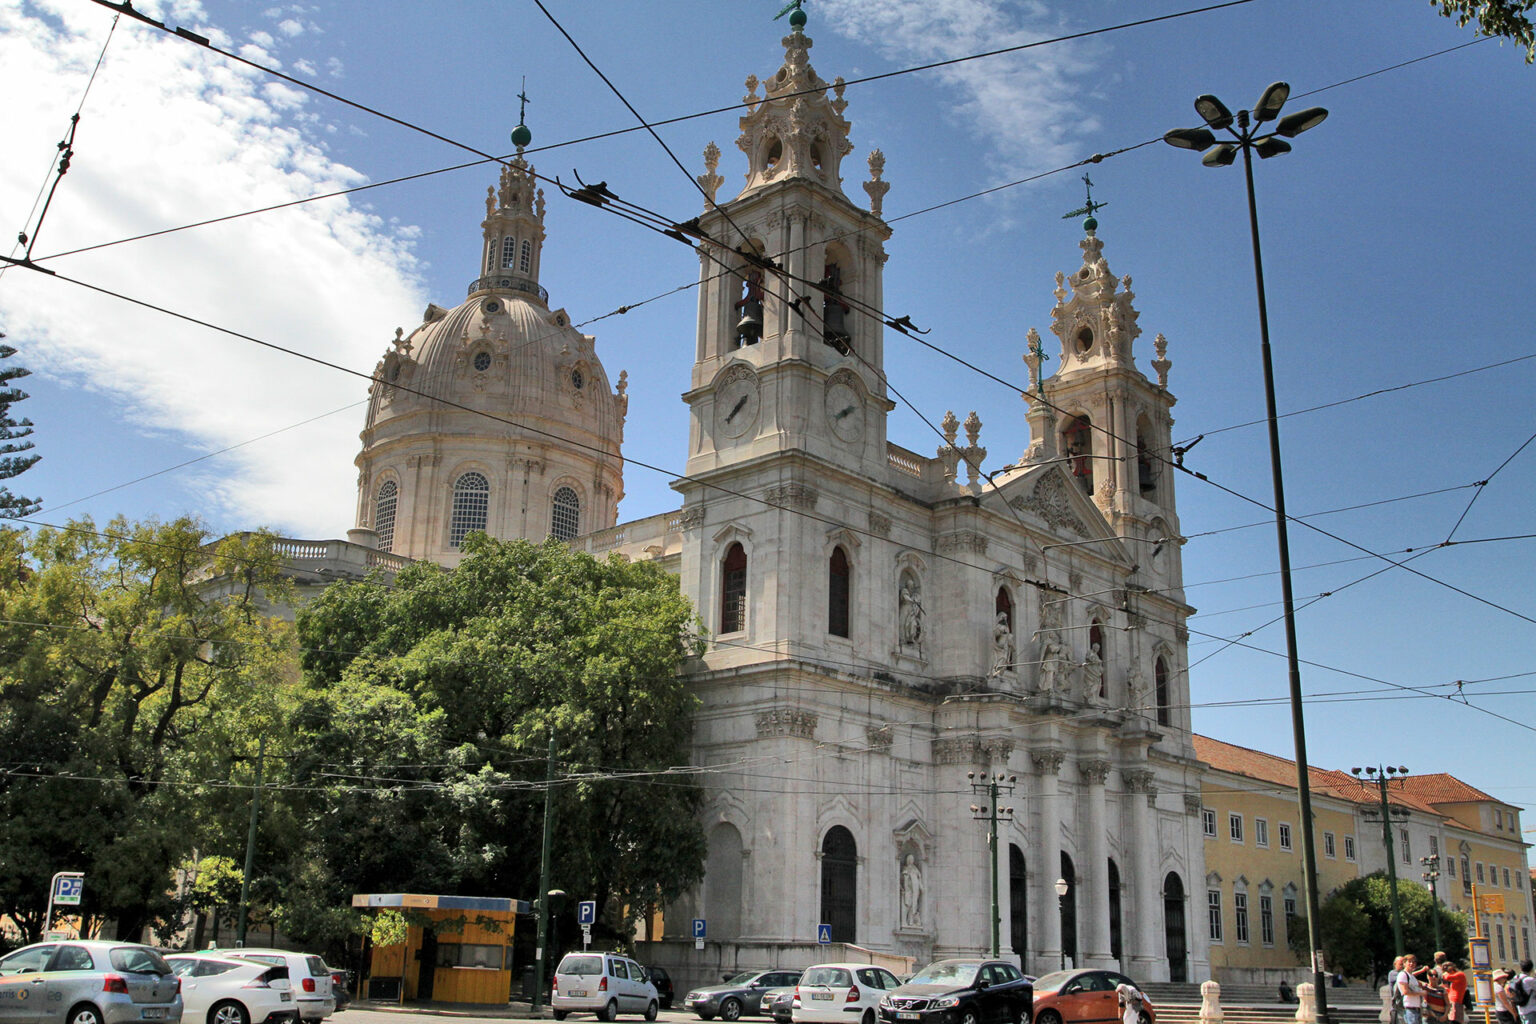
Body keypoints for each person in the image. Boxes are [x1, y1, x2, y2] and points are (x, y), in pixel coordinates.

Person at [1400, 954, 1427, 1024]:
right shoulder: (1403, 975)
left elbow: (1418, 984)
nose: (1412, 964)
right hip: (1410, 1008)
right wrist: (1421, 993)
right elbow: (1405, 992)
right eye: (1409, 962)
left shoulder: (1411, 975)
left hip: (1416, 1008)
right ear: (1404, 963)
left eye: (1414, 962)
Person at [1509, 960, 1536, 1024]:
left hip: (1520, 1009)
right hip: (1531, 1009)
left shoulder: (1515, 978)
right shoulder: (1529, 980)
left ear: (1521, 968)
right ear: (1531, 969)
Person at [1441, 960, 1467, 1024]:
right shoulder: (1456, 978)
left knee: (1455, 1020)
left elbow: (1447, 977)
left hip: (1456, 1001)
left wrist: (1444, 973)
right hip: (1452, 1000)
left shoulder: (1460, 975)